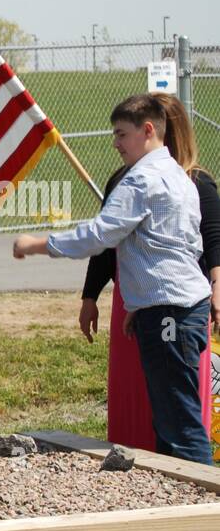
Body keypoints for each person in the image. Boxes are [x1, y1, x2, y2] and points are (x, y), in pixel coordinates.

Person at [14, 93, 212, 464]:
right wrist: (143, 304)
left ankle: (203, 509)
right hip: (176, 308)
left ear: (148, 130)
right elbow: (177, 249)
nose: (115, 143)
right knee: (171, 419)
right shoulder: (175, 174)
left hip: (171, 312)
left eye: (122, 134)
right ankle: (182, 504)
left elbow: (99, 236)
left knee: (180, 425)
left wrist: (38, 243)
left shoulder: (142, 182)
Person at [77, 93, 219, 455]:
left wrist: (217, 288)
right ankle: (143, 464)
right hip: (135, 303)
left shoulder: (195, 183)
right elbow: (108, 243)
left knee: (176, 401)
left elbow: (214, 241)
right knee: (146, 395)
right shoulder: (124, 180)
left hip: (175, 301)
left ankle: (188, 476)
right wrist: (90, 296)